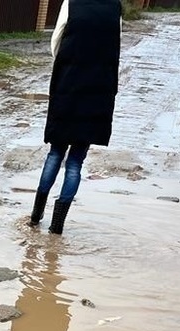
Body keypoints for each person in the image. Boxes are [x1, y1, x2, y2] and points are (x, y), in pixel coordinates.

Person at [30, 0, 122, 235]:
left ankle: (36, 215)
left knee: (55, 152)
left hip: (68, 85)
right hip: (98, 92)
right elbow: (115, 45)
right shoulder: (114, 6)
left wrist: (66, 64)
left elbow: (56, 40)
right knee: (75, 163)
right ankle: (57, 225)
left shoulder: (71, 3)